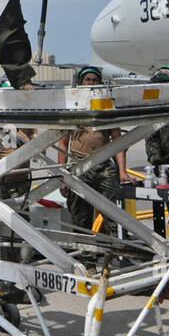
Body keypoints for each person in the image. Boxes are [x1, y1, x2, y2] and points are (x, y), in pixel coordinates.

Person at [57, 66, 136, 233]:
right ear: (81, 82)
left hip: (104, 165)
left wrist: (122, 171)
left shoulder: (106, 109)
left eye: (95, 80)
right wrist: (62, 176)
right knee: (80, 216)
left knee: (113, 214)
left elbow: (118, 142)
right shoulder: (73, 108)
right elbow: (63, 144)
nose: (91, 83)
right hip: (79, 164)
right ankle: (86, 256)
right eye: (88, 80)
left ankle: (118, 253)